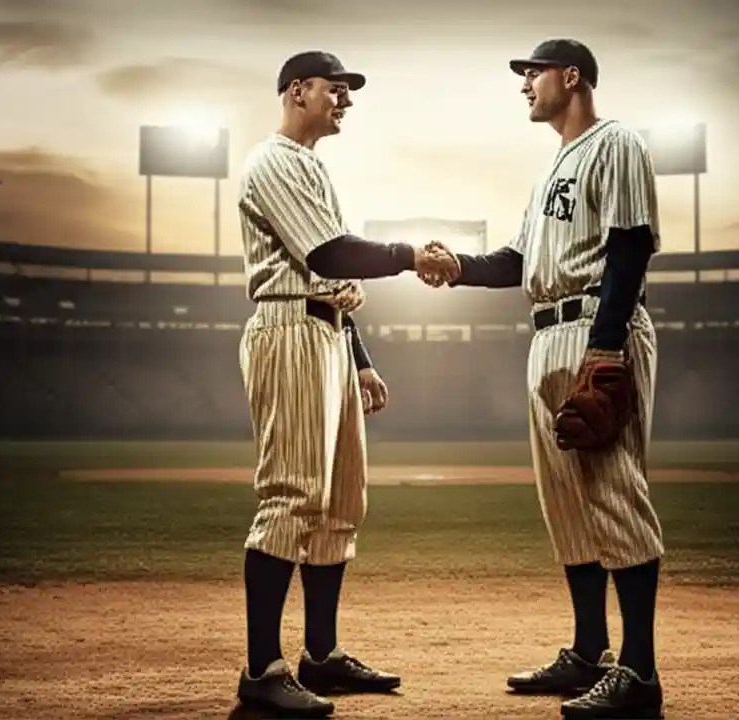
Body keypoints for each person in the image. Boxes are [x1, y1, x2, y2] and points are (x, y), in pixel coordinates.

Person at [416, 39, 666, 720]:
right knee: (569, 506)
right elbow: (518, 261)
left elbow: (630, 243)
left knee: (614, 497)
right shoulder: (552, 167)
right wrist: (456, 267)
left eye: (533, 72)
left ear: (572, 76)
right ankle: (590, 652)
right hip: (547, 333)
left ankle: (639, 672)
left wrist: (606, 348)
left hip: (594, 328)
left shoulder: (617, 143)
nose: (524, 84)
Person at [233, 49, 458, 717]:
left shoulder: (313, 168)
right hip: (288, 332)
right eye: (336, 90)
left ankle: (321, 658)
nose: (346, 102)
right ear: (297, 91)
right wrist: (410, 253)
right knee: (292, 497)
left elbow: (333, 280)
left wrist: (358, 356)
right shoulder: (273, 161)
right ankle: (261, 669)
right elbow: (329, 256)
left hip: (326, 335)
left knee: (338, 506)